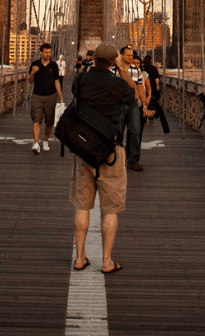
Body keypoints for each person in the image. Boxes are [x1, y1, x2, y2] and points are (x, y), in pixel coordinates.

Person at [69, 41, 135, 273]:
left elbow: (75, 89)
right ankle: (106, 262)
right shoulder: (117, 83)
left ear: (94, 59)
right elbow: (132, 97)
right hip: (110, 151)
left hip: (84, 148)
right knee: (110, 210)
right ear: (113, 60)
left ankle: (80, 258)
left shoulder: (82, 79)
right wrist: (122, 68)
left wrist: (87, 68)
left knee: (82, 206)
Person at [117, 45, 150, 171]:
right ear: (121, 56)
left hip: (133, 105)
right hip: (119, 104)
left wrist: (144, 105)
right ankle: (118, 159)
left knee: (136, 131)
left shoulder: (136, 70)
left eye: (132, 55)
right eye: (128, 55)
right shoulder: (114, 70)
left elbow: (141, 87)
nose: (131, 57)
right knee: (118, 132)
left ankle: (133, 160)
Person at [28, 43, 61, 154]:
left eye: (49, 52)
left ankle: (45, 141)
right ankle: (36, 143)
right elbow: (30, 80)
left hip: (51, 96)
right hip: (37, 96)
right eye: (46, 52)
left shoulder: (54, 65)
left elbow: (57, 81)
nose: (48, 54)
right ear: (41, 52)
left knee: (49, 121)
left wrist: (61, 97)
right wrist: (33, 72)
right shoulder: (34, 64)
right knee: (36, 119)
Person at [142, 53, 171, 134]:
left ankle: (144, 116)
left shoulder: (142, 68)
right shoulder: (154, 68)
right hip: (152, 88)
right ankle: (150, 116)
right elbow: (157, 79)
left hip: (144, 88)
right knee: (152, 102)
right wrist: (157, 87)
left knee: (145, 101)